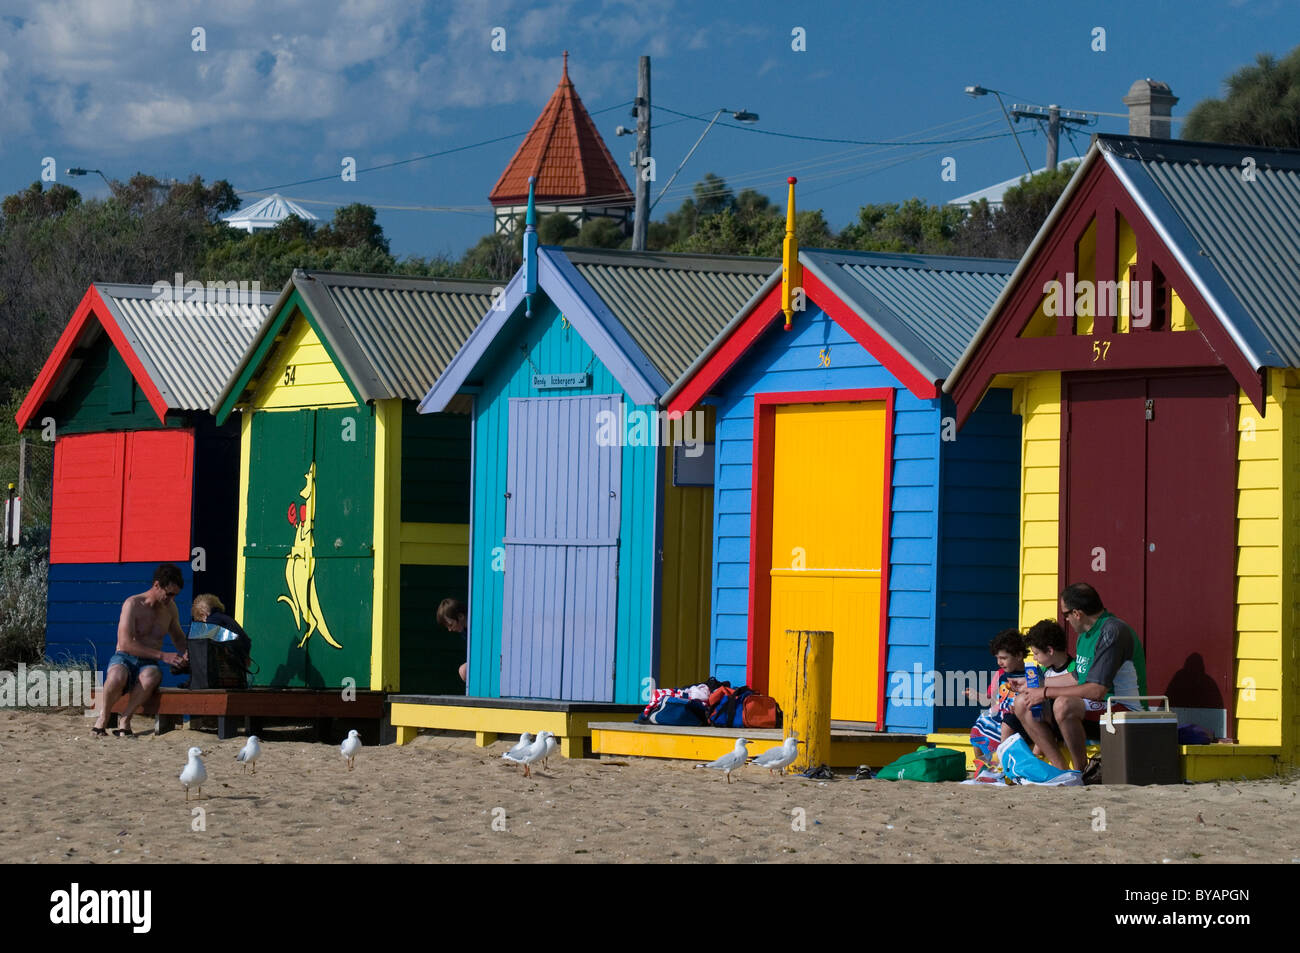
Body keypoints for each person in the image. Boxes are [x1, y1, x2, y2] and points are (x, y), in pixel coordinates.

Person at [1014, 583, 1148, 771]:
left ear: (1077, 613)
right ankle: (1060, 769)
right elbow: (1077, 677)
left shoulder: (1112, 631)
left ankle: (1080, 771)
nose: (1066, 620)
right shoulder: (1084, 636)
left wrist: (1044, 692)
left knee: (1064, 704)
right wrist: (1033, 685)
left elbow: (1096, 690)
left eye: (1065, 615)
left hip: (1125, 710)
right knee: (1022, 701)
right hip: (1099, 709)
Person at [92, 564, 188, 738]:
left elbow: (178, 638)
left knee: (152, 675)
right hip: (124, 657)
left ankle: (125, 720)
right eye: (169, 594)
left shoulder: (171, 609)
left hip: (148, 663)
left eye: (175, 595)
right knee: (116, 676)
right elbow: (126, 643)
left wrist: (187, 653)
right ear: (157, 585)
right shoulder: (133, 604)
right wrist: (163, 655)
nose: (171, 598)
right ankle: (103, 719)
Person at [1003, 618, 1074, 760]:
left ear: (1049, 650)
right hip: (1040, 716)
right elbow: (1032, 692)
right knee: (1009, 720)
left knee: (1043, 713)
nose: (1034, 658)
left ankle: (1036, 759)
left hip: (1060, 718)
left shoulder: (1074, 669)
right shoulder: (1042, 670)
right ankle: (1005, 759)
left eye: (1036, 653)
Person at [967, 628, 1028, 772]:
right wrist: (978, 696)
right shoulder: (1002, 676)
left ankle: (1001, 765)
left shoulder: (1030, 674)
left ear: (1019, 655)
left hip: (1018, 718)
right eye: (997, 658)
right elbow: (995, 700)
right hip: (1000, 714)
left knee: (1006, 723)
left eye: (1004, 658)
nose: (999, 662)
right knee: (982, 721)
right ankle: (982, 764)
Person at [190, 594, 252, 685]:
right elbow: (247, 641)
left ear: (203, 615)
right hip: (240, 672)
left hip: (224, 673)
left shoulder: (212, 621)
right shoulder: (228, 620)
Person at [437, 597, 468, 682]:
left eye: (450, 625)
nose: (450, 630)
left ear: (461, 616)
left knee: (463, 670)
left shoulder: (475, 627)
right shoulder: (464, 631)